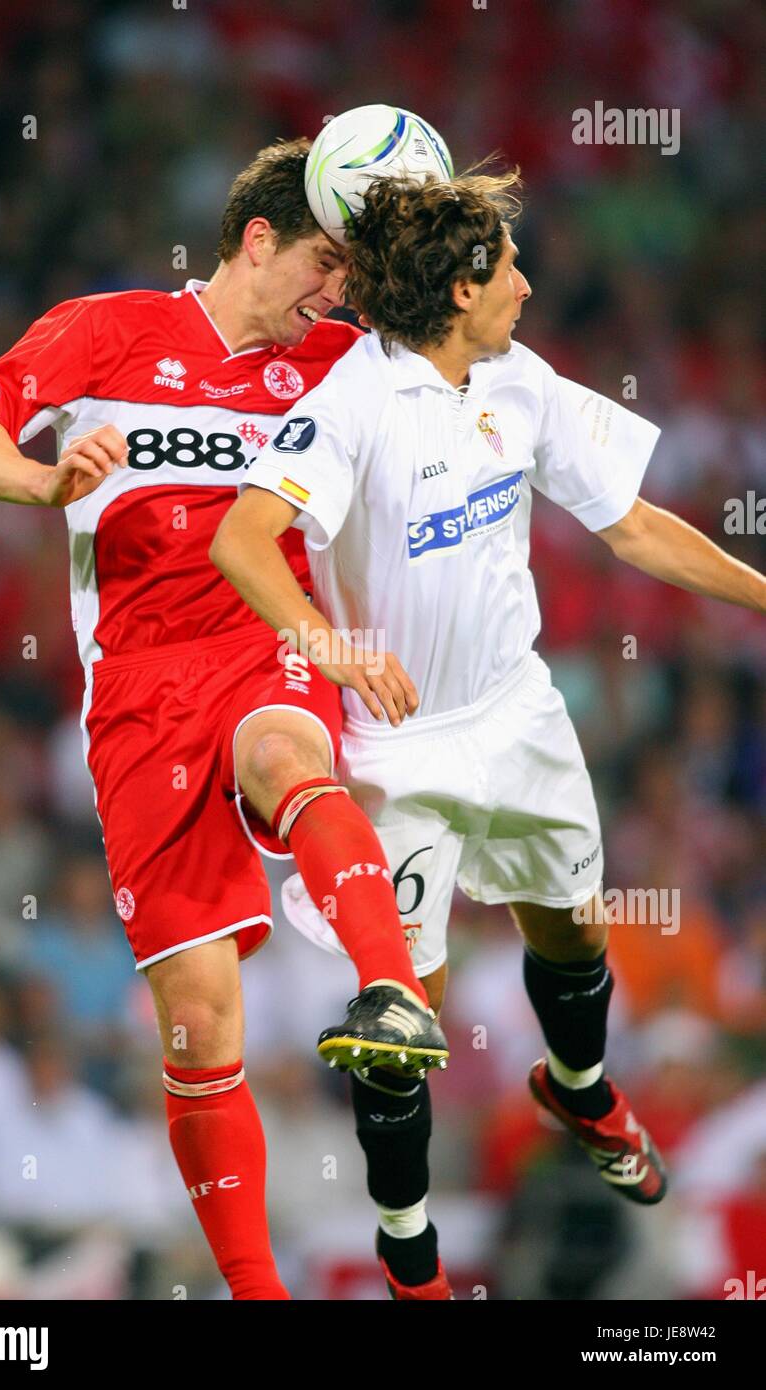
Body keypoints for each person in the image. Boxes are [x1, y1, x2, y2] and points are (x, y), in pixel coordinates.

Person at [211, 167, 766, 1299]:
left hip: (516, 716)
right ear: (460, 288)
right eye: (506, 265)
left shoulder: (518, 380)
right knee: (398, 1027)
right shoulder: (352, 402)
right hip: (396, 749)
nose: (525, 279)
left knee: (568, 933)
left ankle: (575, 1081)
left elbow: (635, 527)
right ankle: (408, 1244)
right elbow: (243, 537)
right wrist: (328, 643)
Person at [0, 138, 447, 1302]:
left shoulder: (339, 359)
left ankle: (389, 988)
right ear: (256, 238)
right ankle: (256, 1294)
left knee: (284, 751)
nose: (334, 290)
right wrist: (45, 481)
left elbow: (457, 369)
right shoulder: (101, 329)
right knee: (200, 1027)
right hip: (136, 686)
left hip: (263, 634)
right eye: (322, 261)